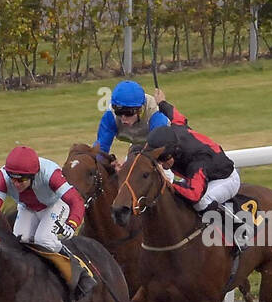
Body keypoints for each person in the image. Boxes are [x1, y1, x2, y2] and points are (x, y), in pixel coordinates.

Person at [0, 146, 94, 302]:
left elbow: (76, 201)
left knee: (44, 240)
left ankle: (80, 272)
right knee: (20, 242)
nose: (15, 183)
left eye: (21, 180)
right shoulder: (4, 175)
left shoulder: (50, 174)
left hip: (54, 205)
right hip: (27, 207)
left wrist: (72, 223)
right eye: (13, 179)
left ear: (33, 176)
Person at [143, 124, 248, 252]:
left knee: (200, 202)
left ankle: (237, 227)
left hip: (226, 179)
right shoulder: (175, 134)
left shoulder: (195, 162)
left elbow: (194, 195)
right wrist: (161, 103)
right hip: (204, 174)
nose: (161, 164)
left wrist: (170, 184)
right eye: (157, 160)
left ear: (173, 153)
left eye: (163, 159)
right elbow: (177, 117)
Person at [96, 80, 188, 169]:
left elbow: (159, 150)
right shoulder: (110, 115)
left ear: (140, 109)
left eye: (128, 113)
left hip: (166, 147)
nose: (123, 118)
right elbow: (101, 149)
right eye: (118, 112)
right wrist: (106, 164)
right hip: (138, 145)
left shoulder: (155, 113)